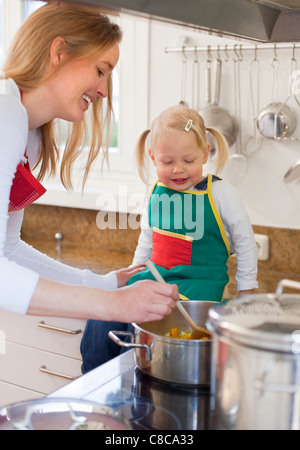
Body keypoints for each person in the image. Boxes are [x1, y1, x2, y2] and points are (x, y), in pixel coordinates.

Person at [0, 4, 178, 327]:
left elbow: (8, 249)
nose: (105, 91)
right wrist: (112, 304)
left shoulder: (29, 135)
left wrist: (103, 282)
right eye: (100, 70)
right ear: (59, 53)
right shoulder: (5, 113)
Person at [80, 105, 258, 372]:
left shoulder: (221, 194)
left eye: (188, 161)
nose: (178, 170)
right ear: (153, 158)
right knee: (103, 311)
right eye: (168, 162)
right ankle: (93, 375)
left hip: (197, 288)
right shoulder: (155, 192)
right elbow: (147, 238)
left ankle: (132, 378)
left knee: (140, 321)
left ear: (205, 153)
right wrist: (132, 274)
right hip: (155, 279)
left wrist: (247, 292)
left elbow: (246, 243)